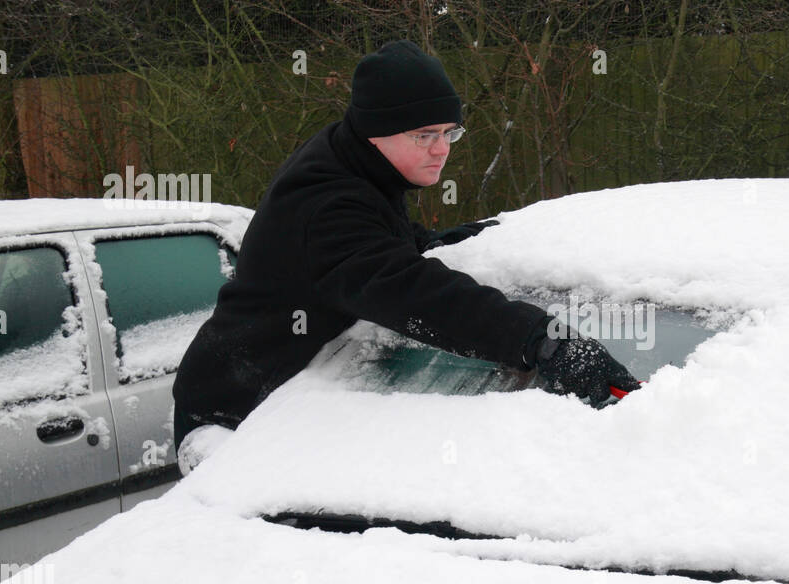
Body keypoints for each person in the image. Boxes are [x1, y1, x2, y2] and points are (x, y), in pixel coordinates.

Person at [172, 40, 638, 466]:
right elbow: (415, 295)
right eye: (424, 135)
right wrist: (544, 340)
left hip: (294, 397)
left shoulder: (351, 156)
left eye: (449, 132)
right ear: (378, 132)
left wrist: (421, 240)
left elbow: (369, 239)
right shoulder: (327, 204)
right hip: (237, 411)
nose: (441, 150)